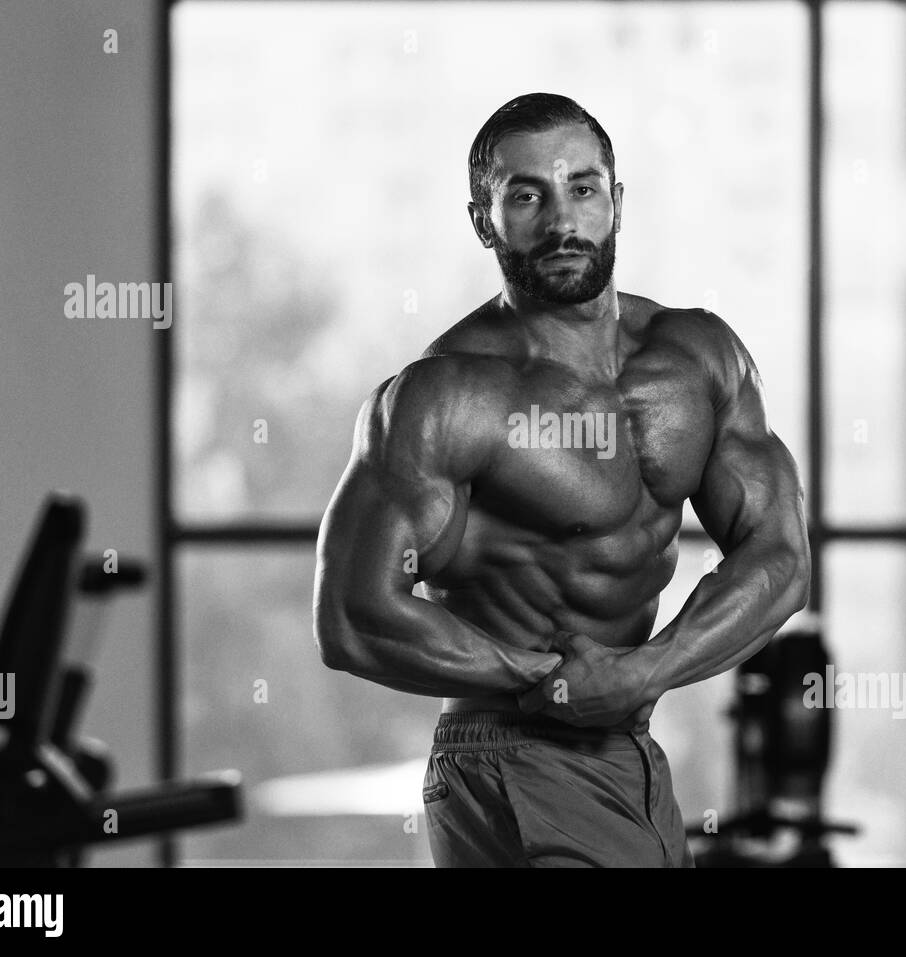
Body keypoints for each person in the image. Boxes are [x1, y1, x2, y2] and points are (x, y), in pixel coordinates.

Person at [313, 92, 811, 867]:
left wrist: (644, 671)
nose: (562, 220)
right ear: (484, 219)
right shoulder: (446, 394)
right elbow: (353, 615)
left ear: (617, 200)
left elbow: (780, 560)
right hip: (511, 750)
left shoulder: (700, 360)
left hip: (626, 748)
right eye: (526, 196)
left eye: (582, 187)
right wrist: (545, 678)